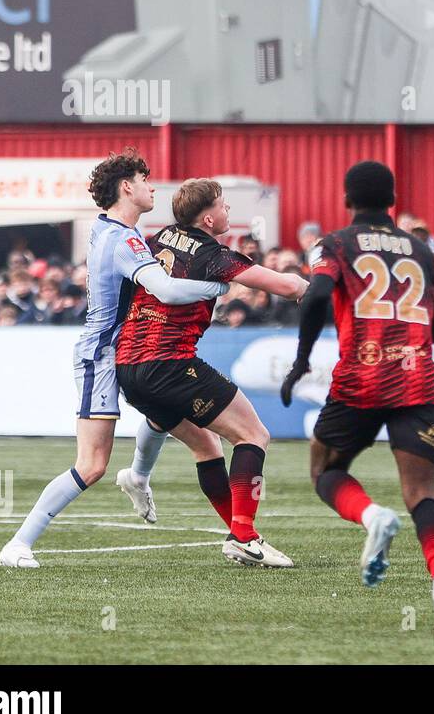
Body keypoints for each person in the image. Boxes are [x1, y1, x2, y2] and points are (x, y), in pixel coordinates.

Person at [0, 150, 233, 570]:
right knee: (91, 466)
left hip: (128, 353)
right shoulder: (122, 239)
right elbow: (168, 291)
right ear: (127, 187)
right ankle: (18, 544)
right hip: (101, 357)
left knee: (174, 419)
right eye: (146, 180)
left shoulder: (113, 230)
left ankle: (139, 476)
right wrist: (220, 288)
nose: (153, 188)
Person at [280, 161, 434, 638]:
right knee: (423, 494)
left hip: (359, 382)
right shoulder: (422, 250)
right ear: (393, 199)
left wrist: (301, 362)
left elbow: (317, 294)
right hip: (415, 383)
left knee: (324, 470)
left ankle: (372, 516)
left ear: (347, 199)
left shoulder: (336, 245)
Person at [109, 179, 309, 567]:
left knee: (206, 447)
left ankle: (241, 535)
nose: (228, 211)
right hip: (167, 363)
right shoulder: (211, 254)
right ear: (207, 217)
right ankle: (244, 537)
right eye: (223, 205)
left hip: (129, 368)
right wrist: (315, 285)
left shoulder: (161, 237)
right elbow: (284, 286)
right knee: (253, 435)